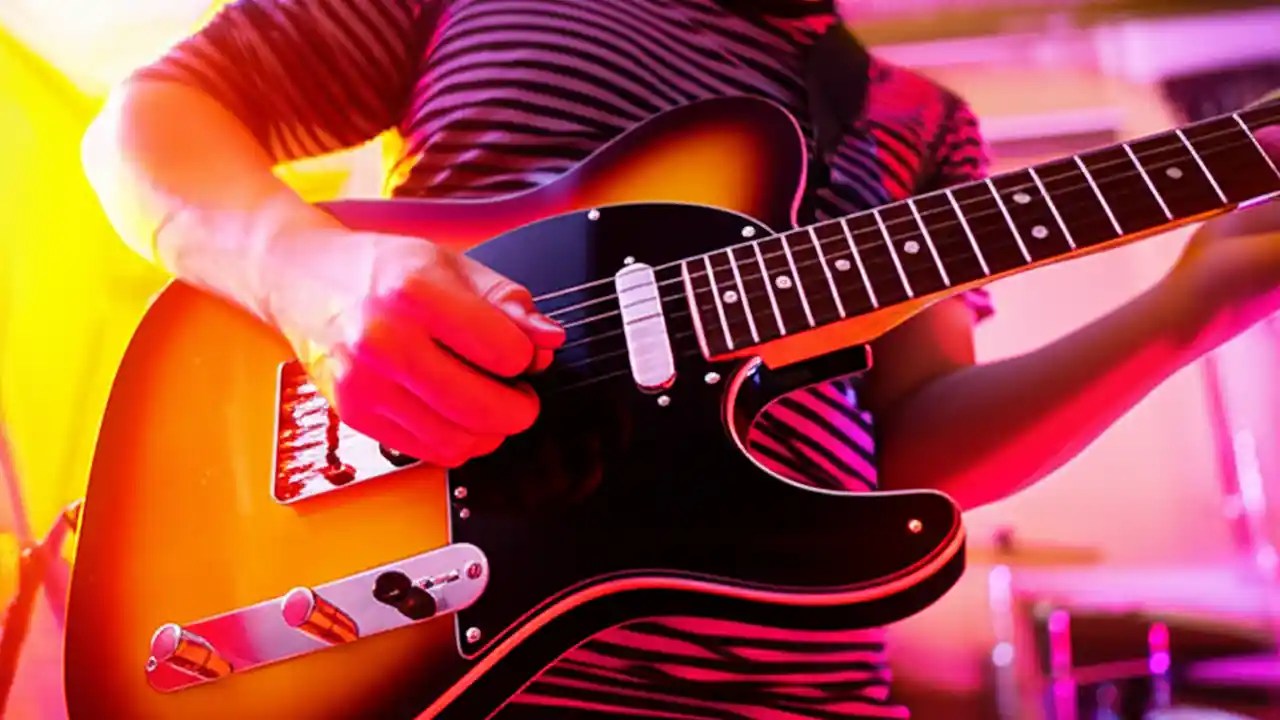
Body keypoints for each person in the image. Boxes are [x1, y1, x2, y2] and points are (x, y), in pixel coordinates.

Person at [79, 0, 1279, 717]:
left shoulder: (917, 113)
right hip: (454, 666)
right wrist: (306, 275)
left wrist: (1184, 313)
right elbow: (147, 128)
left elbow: (919, 444)